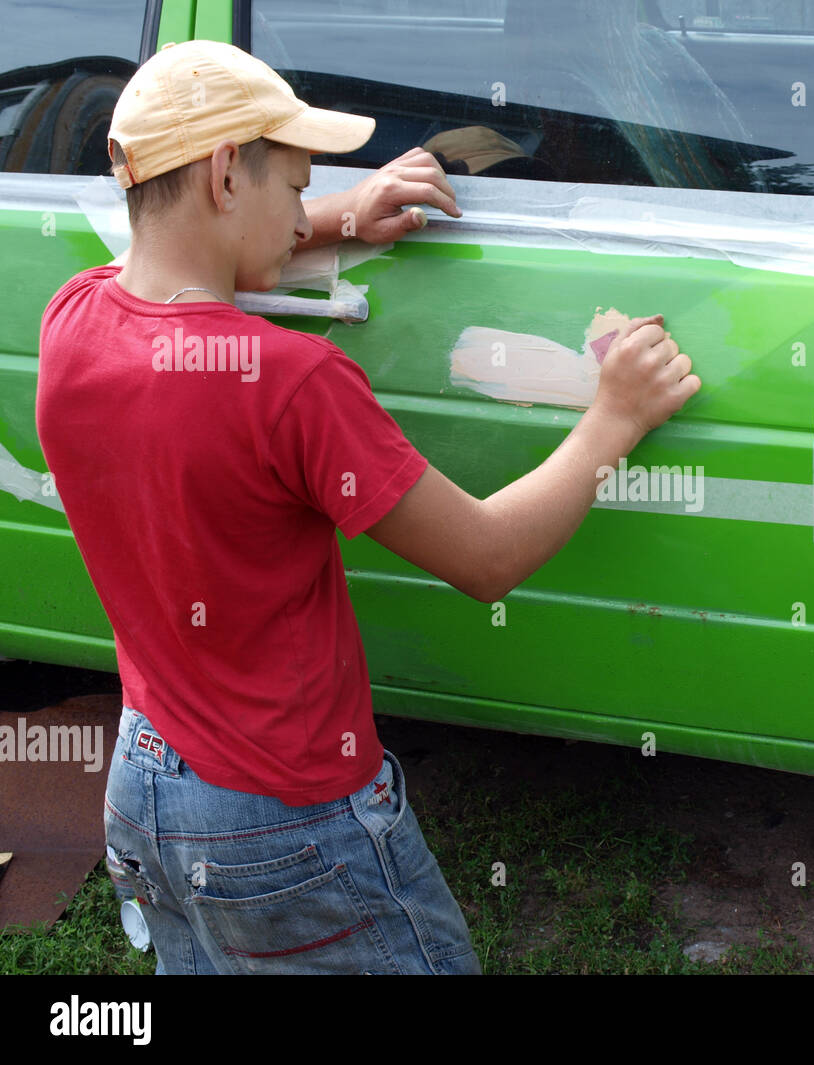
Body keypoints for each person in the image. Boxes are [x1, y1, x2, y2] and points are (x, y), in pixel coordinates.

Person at [35, 40, 699, 975]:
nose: (305, 208)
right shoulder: (291, 383)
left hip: (148, 782)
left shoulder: (72, 320)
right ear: (227, 172)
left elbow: (168, 268)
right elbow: (488, 556)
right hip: (287, 820)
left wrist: (341, 214)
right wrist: (612, 418)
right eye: (298, 184)